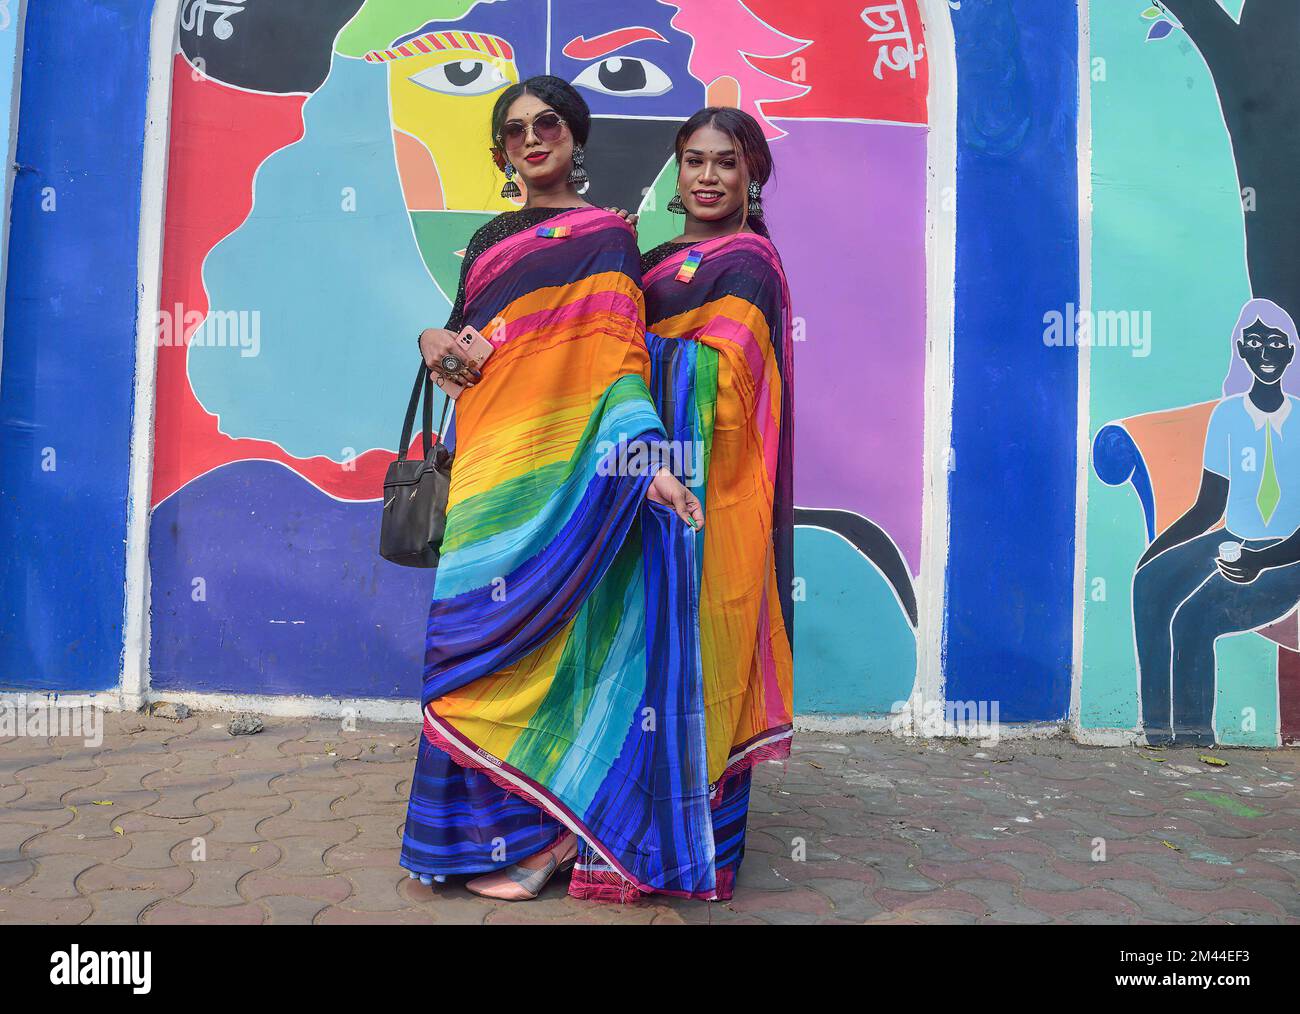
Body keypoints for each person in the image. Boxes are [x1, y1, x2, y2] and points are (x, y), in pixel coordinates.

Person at [402, 75, 721, 902]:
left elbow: (618, 359)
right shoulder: (487, 242)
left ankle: (546, 843)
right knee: (468, 652)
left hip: (566, 471)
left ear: (576, 139)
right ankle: (474, 838)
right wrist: (437, 339)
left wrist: (647, 464)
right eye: (514, 130)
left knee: (552, 652)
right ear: (502, 150)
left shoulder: (606, 239)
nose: (532, 139)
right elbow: (471, 351)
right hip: (488, 467)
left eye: (549, 124)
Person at [590, 106, 795, 901]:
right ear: (677, 173)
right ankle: (625, 840)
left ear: (752, 177)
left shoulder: (751, 263)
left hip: (709, 490)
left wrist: (613, 352)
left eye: (726, 163)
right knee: (635, 659)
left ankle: (691, 851)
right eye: (694, 161)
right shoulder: (651, 260)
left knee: (699, 648)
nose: (708, 177)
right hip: (638, 482)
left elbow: (727, 388)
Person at [1133, 297, 1300, 746]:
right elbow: (1209, 508)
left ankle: (1192, 736)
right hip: (1233, 537)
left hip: (1287, 554)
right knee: (1148, 586)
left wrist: (1261, 561)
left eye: (1277, 342)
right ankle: (1156, 730)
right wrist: (1156, 553)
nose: (1266, 352)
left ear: (1290, 351)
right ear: (1243, 350)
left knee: (1194, 620)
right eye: (1256, 342)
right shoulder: (1227, 416)